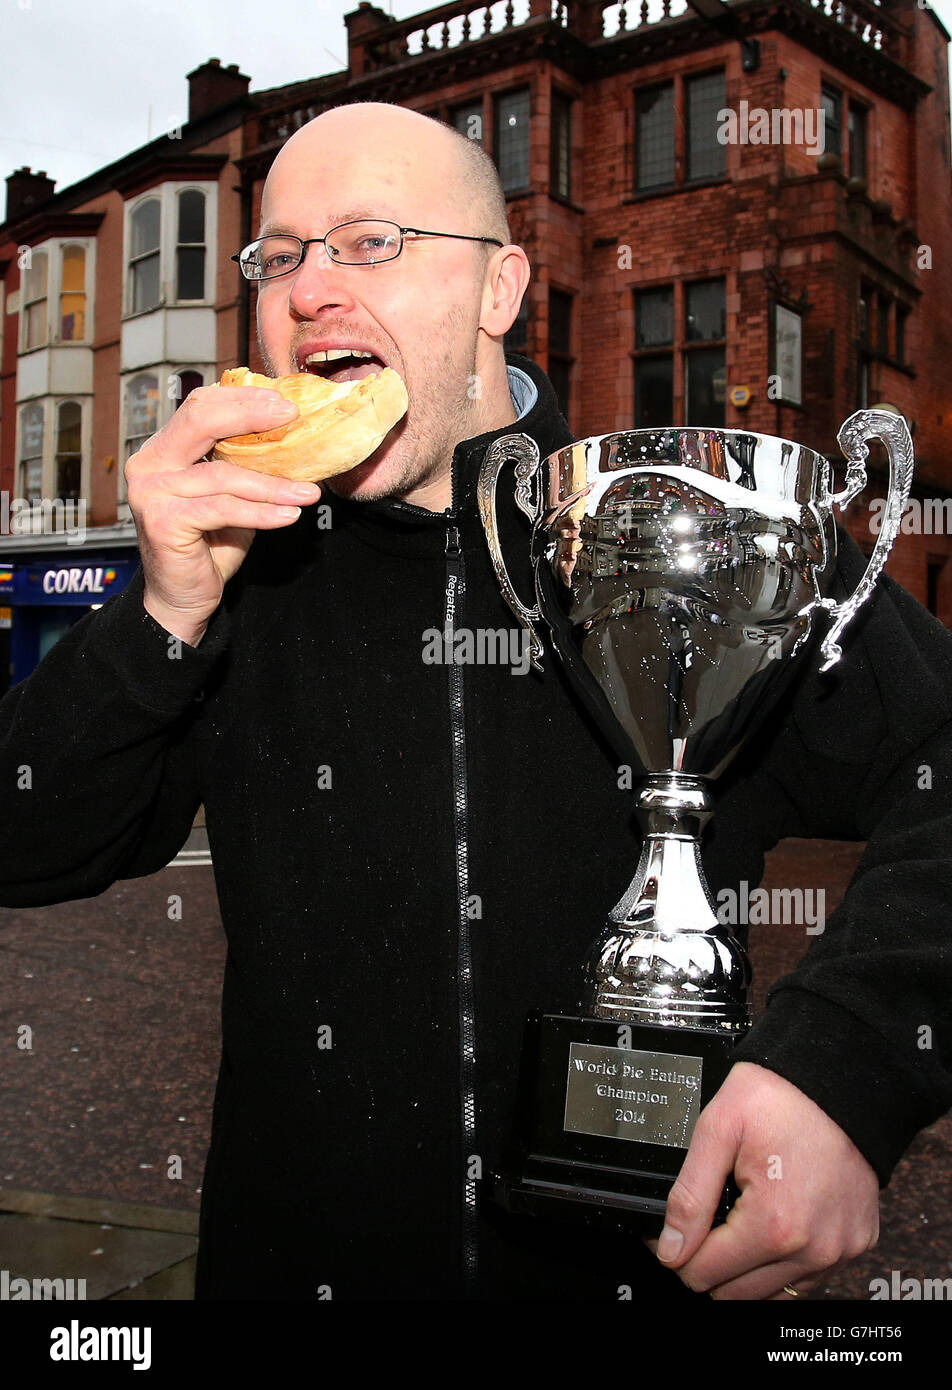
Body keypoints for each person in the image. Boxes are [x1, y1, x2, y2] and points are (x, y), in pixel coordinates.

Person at [2, 101, 951, 1301]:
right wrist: (161, 616)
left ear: (499, 289)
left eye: (367, 242)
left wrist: (843, 1072)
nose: (307, 290)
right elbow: (27, 840)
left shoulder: (672, 530)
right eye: (279, 255)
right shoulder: (242, 574)